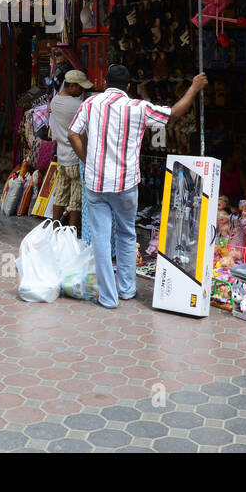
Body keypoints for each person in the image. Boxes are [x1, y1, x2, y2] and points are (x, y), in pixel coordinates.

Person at [68, 64, 208, 310]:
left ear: (106, 82)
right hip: (125, 184)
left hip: (95, 182)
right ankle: (127, 289)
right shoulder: (138, 108)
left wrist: (86, 159)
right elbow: (174, 113)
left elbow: (73, 134)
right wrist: (194, 88)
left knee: (100, 237)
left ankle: (108, 298)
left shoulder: (89, 104)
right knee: (126, 233)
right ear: (128, 87)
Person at [50, 69, 93, 231]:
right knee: (76, 196)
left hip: (62, 156)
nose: (82, 90)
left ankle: (55, 227)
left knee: (60, 192)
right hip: (75, 157)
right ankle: (73, 230)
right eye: (80, 87)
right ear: (72, 86)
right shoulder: (78, 106)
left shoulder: (54, 101)